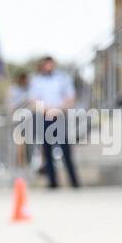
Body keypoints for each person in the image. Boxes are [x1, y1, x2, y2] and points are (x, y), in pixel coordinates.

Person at [27, 55, 79, 188]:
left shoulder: (62, 78)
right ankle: (52, 183)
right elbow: (33, 101)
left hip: (60, 116)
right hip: (44, 118)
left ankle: (74, 182)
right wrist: (46, 110)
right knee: (47, 152)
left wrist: (58, 109)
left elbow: (70, 98)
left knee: (65, 150)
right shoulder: (36, 81)